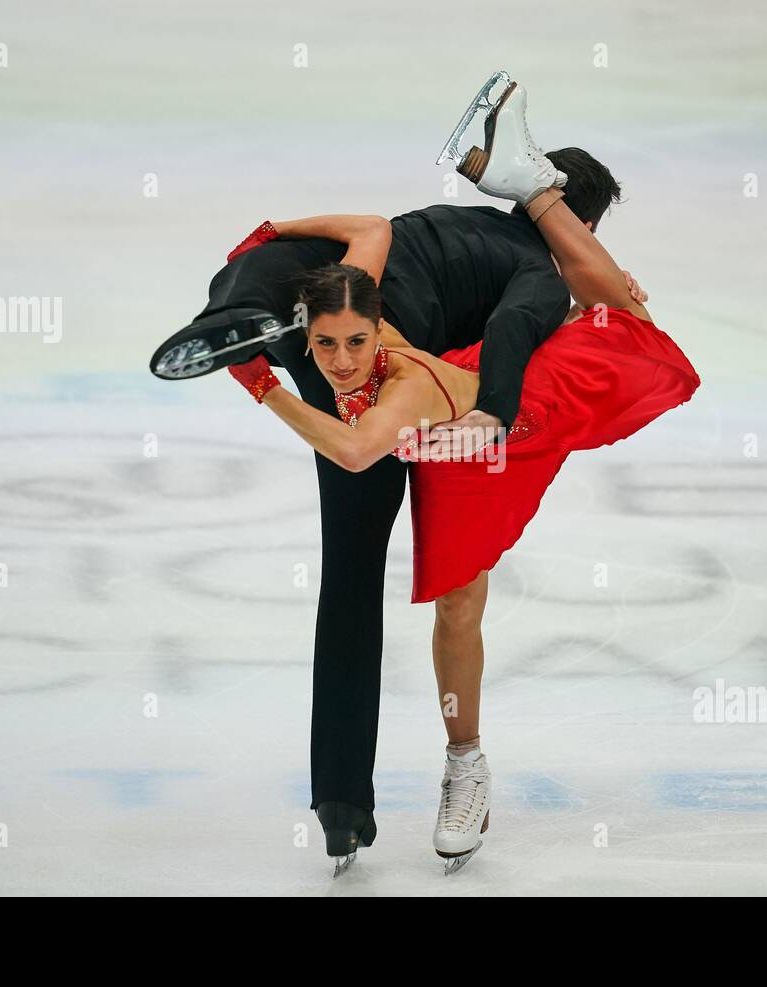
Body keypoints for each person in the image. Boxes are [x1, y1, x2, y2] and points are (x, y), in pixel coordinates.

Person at [150, 81, 625, 871]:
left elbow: (368, 233)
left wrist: (272, 257)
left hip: (336, 319)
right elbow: (514, 325)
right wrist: (496, 413)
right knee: (388, 559)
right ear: (583, 225)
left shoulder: (462, 225)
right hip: (385, 364)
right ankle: (369, 796)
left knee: (279, 275)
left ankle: (233, 320)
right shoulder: (542, 276)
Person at [227, 157, 700, 872]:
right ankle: (430, 772)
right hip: (430, 400)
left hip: (481, 427)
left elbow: (584, 317)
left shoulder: (561, 283)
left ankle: (448, 768)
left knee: (446, 593)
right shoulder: (502, 253)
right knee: (439, 596)